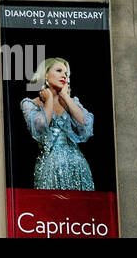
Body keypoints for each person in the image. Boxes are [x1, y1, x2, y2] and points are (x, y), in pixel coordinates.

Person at [20, 57, 93, 190]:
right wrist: (48, 101)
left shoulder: (72, 102)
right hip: (49, 169)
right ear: (46, 74)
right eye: (59, 70)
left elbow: (85, 126)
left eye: (66, 73)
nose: (64, 75)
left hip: (78, 168)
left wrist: (66, 97)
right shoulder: (30, 104)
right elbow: (40, 128)